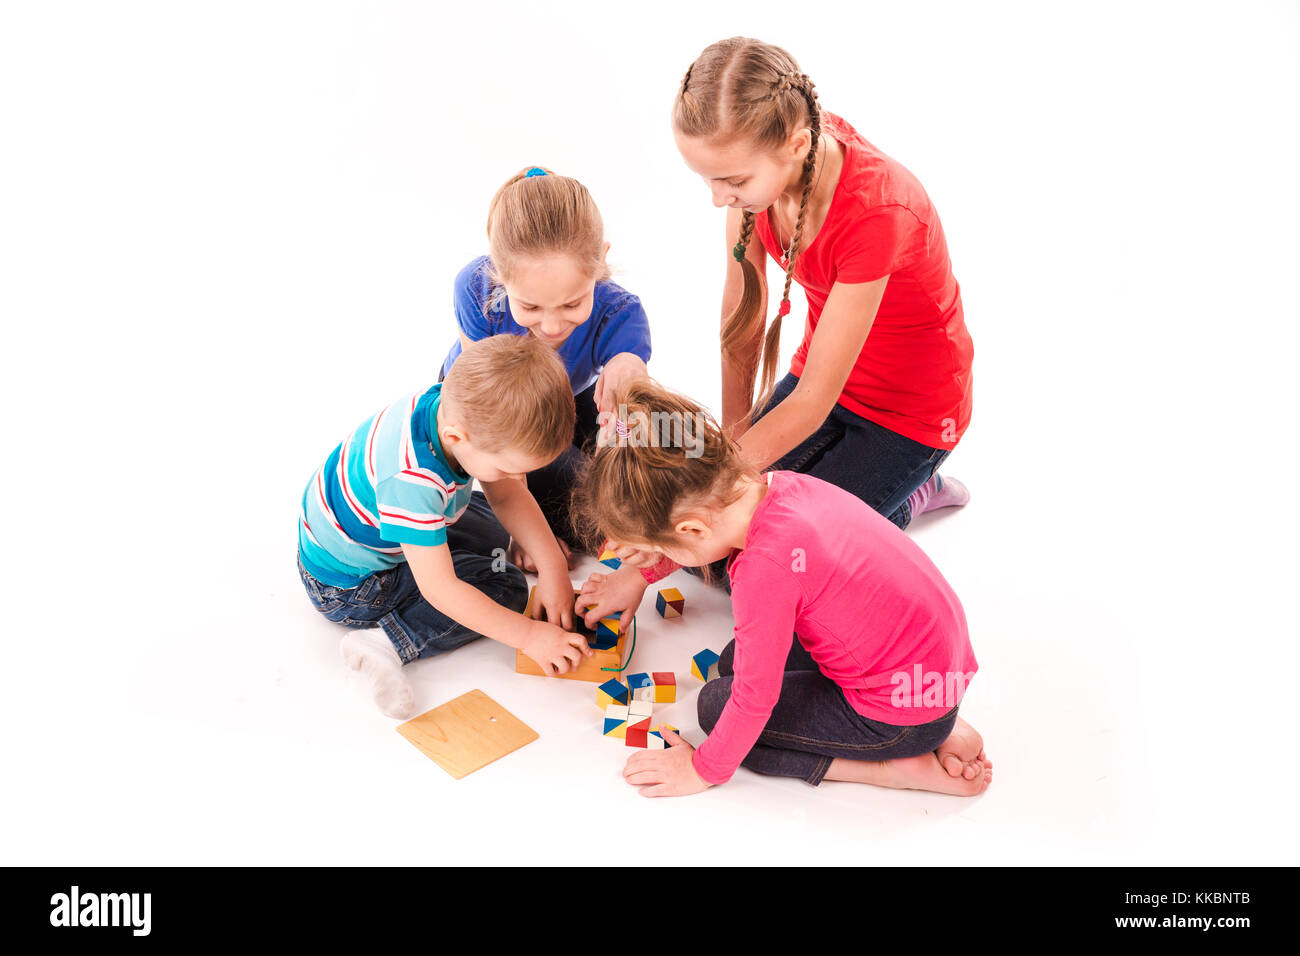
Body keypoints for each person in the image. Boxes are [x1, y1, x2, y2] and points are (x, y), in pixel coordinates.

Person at [572, 379, 991, 797]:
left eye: (660, 550)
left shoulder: (763, 569)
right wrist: (642, 572)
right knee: (735, 661)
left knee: (720, 712)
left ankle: (894, 765)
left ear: (692, 529)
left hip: (903, 711)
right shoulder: (783, 487)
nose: (662, 558)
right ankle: (937, 723)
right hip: (933, 673)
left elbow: (755, 699)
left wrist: (702, 770)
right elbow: (702, 543)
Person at [297, 335, 593, 718]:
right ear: (456, 438)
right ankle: (384, 642)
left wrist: (552, 565)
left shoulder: (457, 408)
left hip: (375, 527)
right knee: (505, 586)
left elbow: (506, 495)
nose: (513, 478)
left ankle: (447, 552)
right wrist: (529, 636)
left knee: (496, 535)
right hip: (349, 587)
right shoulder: (412, 477)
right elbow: (440, 590)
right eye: (507, 468)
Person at [440, 166, 652, 574]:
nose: (552, 328)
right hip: (498, 406)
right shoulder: (477, 290)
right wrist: (521, 533)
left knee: (637, 484)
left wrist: (627, 385)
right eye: (531, 307)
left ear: (600, 264)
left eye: (572, 304)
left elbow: (629, 398)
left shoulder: (620, 311)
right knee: (590, 499)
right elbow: (496, 422)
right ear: (499, 275)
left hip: (569, 397)